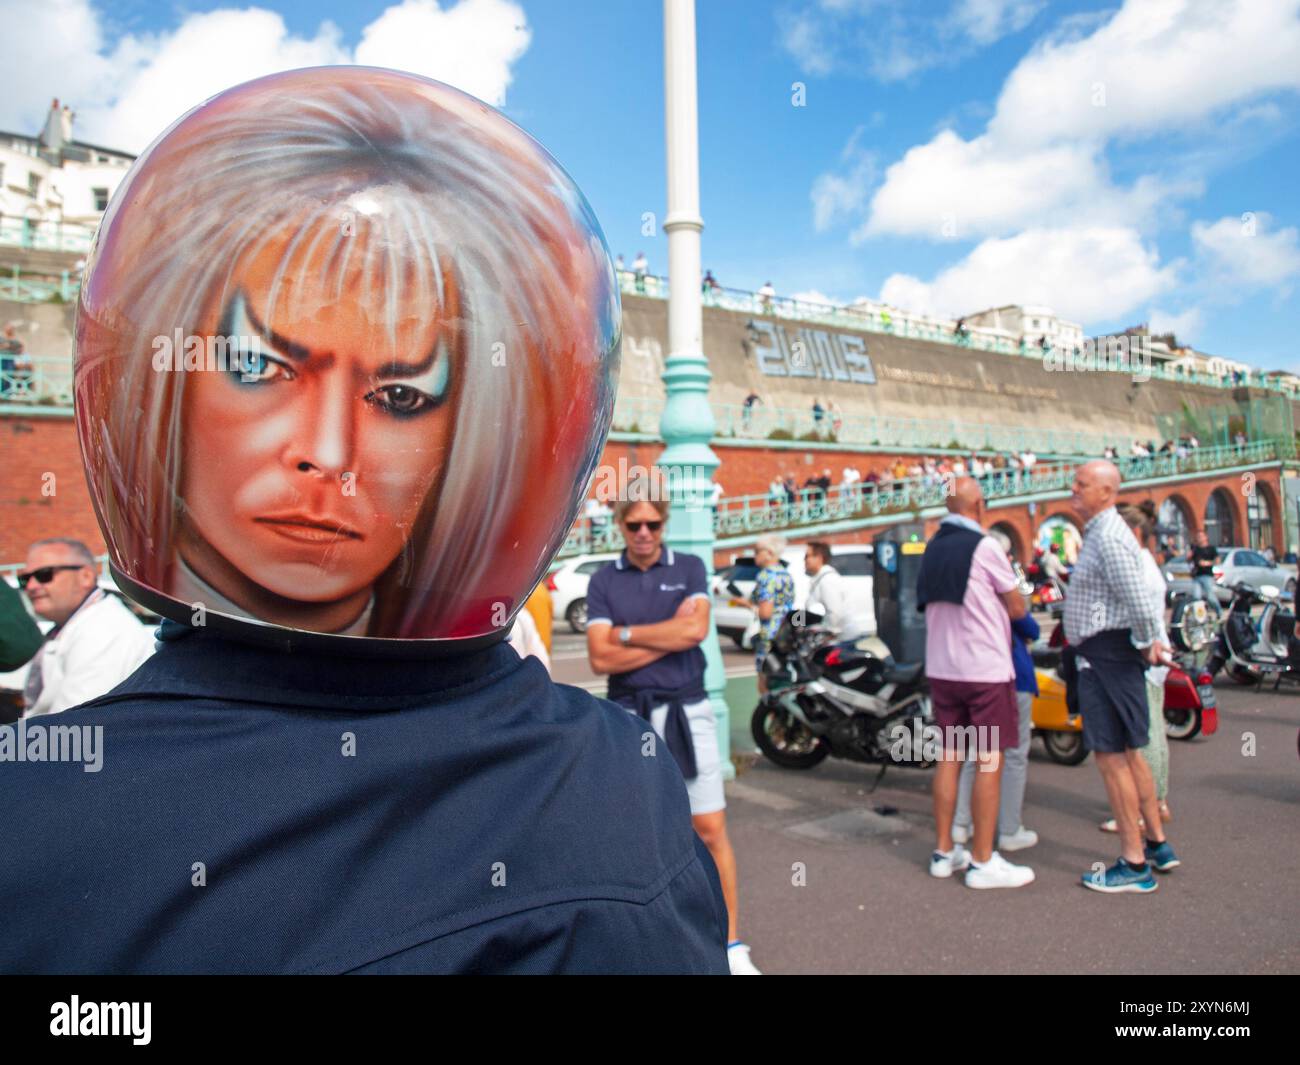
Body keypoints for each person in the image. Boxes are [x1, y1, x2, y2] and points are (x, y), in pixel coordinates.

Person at [0, 68, 727, 975]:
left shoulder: (36, 812)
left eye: (397, 393)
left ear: (477, 438)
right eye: (257, 364)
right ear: (158, 389)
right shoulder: (607, 786)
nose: (327, 451)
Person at [585, 479, 757, 975]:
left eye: (652, 523)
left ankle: (729, 945)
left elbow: (696, 631)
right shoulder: (603, 580)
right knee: (636, 834)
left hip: (687, 711)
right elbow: (599, 657)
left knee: (708, 827)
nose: (643, 532)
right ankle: (651, 942)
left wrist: (627, 634)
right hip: (628, 717)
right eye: (633, 523)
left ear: (664, 522)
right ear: (619, 525)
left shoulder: (689, 567)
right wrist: (669, 635)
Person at [1065, 461, 1178, 894]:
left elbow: (1135, 596)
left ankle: (1133, 862)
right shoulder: (1107, 532)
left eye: (1082, 484)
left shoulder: (1108, 536)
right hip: (1112, 653)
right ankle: (1156, 845)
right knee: (1132, 753)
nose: (1073, 489)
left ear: (1107, 493)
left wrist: (1150, 639)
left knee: (1111, 757)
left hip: (1106, 655)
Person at [917, 478, 1034, 889]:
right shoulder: (986, 547)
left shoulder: (932, 546)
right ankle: (984, 861)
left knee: (949, 757)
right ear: (979, 505)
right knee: (988, 760)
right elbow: (1017, 605)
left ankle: (944, 851)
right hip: (983, 672)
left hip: (943, 668)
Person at [1098, 501, 1173, 833]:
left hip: (1142, 657)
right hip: (1153, 656)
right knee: (1152, 731)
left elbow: (1137, 613)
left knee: (1140, 739)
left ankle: (1146, 809)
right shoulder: (1146, 561)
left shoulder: (1137, 564)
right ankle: (1156, 802)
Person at [18, 538, 154, 718]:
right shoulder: (73, 624)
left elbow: (74, 725)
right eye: (25, 579)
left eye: (45, 574)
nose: (31, 586)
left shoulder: (104, 629)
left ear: (86, 577)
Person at [952, 590, 1040, 853]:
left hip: (974, 678)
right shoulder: (1002, 592)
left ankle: (962, 822)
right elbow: (1030, 627)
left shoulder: (961, 593)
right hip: (1012, 678)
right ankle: (1009, 829)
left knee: (977, 755)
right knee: (1013, 755)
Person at [746, 533, 795, 695]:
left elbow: (765, 612)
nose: (755, 555)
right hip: (786, 633)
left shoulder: (766, 576)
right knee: (782, 681)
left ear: (769, 553)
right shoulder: (785, 574)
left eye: (757, 550)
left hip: (769, 637)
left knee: (765, 681)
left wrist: (747, 604)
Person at [804, 542, 856, 645]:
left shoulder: (827, 580)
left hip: (840, 640)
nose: (805, 560)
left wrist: (827, 636)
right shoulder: (820, 579)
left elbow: (834, 612)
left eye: (807, 556)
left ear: (819, 558)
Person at [1187, 529, 1221, 615]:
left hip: (1207, 575)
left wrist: (1207, 563)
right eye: (1198, 537)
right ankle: (1200, 616)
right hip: (1197, 576)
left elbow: (1218, 560)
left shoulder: (1211, 548)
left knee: (1210, 597)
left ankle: (1219, 612)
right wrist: (1188, 557)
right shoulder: (1195, 549)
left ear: (1206, 537)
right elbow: (1188, 561)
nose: (1199, 538)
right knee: (1196, 597)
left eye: (1201, 536)